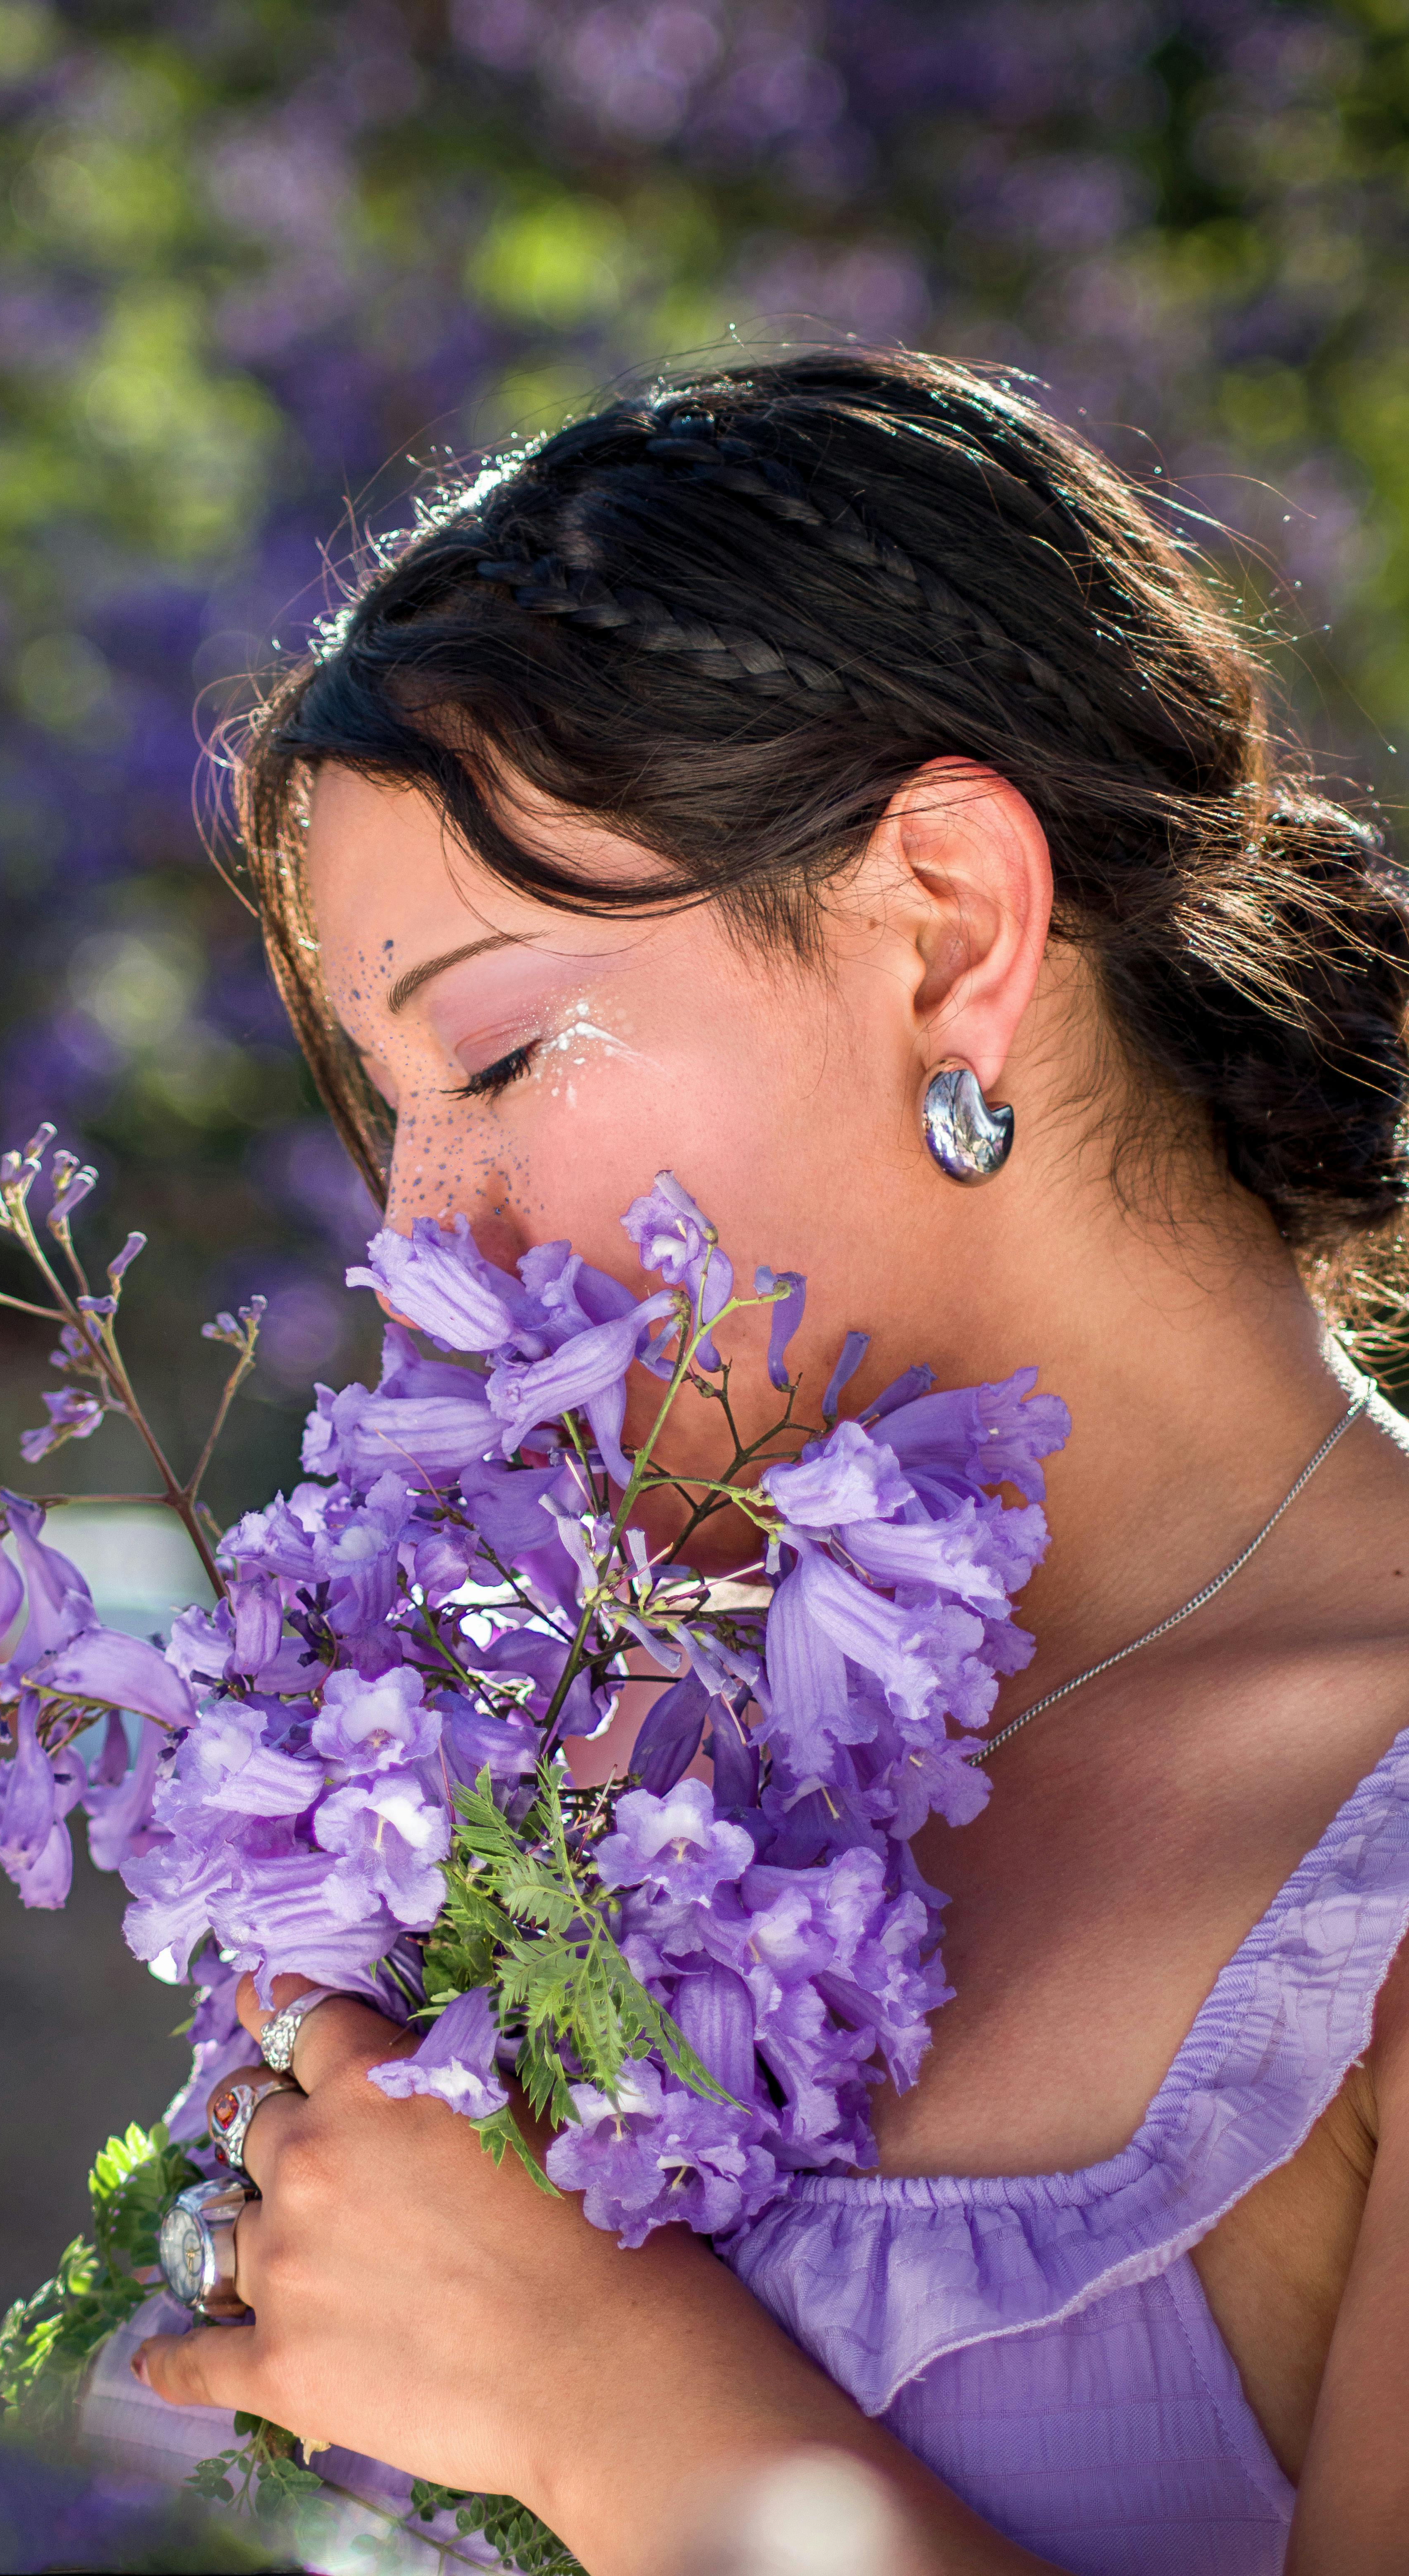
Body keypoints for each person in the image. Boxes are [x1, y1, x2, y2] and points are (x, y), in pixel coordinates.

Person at [128, 352, 1409, 2574]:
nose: (432, 1237)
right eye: (392, 1110)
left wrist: (601, 2398)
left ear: (946, 926)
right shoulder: (615, 1754)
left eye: (498, 1053)